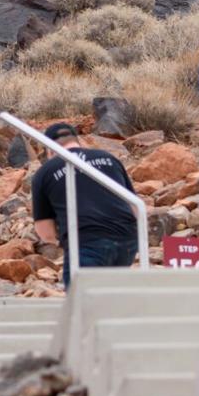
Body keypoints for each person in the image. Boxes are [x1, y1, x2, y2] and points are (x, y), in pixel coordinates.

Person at [29, 122, 140, 286]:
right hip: (126, 241)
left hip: (86, 243)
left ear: (49, 149)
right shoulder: (108, 158)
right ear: (77, 142)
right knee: (112, 297)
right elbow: (135, 207)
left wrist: (63, 238)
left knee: (80, 304)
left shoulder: (45, 172)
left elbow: (45, 231)